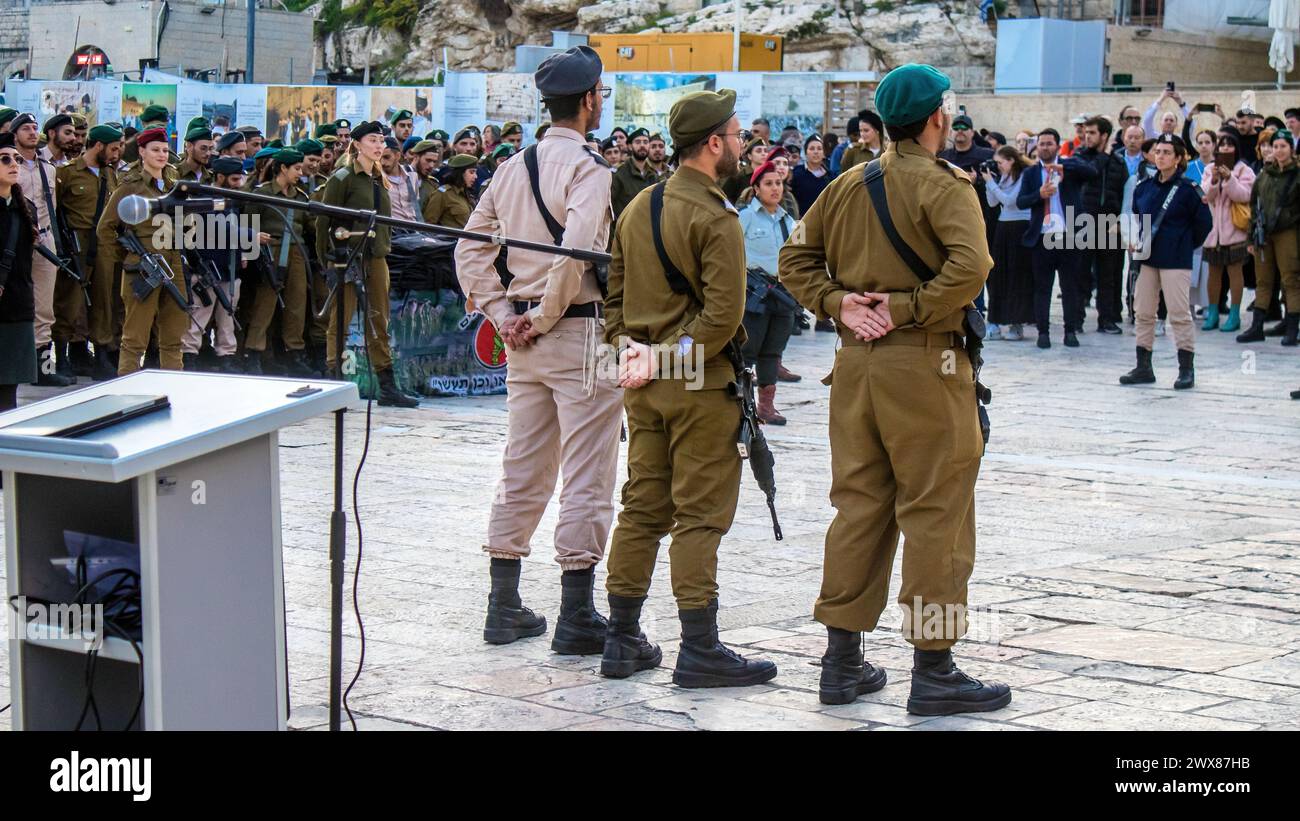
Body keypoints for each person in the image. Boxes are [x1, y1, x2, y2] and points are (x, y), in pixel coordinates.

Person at [779, 63, 1008, 715]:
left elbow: (794, 259)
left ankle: (841, 663)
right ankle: (934, 670)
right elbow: (972, 267)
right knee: (937, 512)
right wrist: (908, 309)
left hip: (855, 368)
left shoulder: (848, 184)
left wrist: (838, 303)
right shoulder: (946, 186)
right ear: (939, 117)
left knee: (859, 507)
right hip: (925, 367)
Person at [601, 87, 778, 688]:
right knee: (699, 515)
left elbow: (614, 301)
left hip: (644, 385)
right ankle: (699, 649)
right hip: (698, 386)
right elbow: (723, 317)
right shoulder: (716, 216)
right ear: (711, 144)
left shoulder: (639, 207)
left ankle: (621, 640)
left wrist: (634, 353)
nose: (740, 146)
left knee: (643, 508)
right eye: (734, 136)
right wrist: (667, 358)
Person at [454, 46, 623, 657]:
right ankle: (576, 615)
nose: (601, 101)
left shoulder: (511, 166)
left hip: (523, 337)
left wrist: (505, 316)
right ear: (587, 100)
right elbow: (577, 252)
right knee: (588, 472)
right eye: (600, 93)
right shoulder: (590, 168)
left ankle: (503, 606)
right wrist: (545, 317)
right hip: (579, 332)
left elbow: (469, 250)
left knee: (522, 468)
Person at [316, 120, 420, 407]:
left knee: (379, 321)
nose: (379, 146)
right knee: (341, 321)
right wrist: (329, 260)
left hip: (375, 257)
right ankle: (333, 383)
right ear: (358, 144)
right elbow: (324, 220)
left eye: (381, 141)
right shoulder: (343, 177)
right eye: (373, 140)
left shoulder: (378, 177)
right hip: (348, 257)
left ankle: (387, 386)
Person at [1120, 134, 1211, 389]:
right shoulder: (1145, 187)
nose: (1160, 156)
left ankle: (1186, 369)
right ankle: (1143, 366)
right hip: (1148, 258)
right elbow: (1137, 215)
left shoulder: (1188, 190)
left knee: (1179, 314)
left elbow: (1203, 224)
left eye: (1167, 152)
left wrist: (1181, 243)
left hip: (1176, 260)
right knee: (1144, 312)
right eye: (1158, 151)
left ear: (1179, 158)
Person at [98, 128, 189, 374]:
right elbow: (106, 229)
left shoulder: (173, 184)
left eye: (164, 150)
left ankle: (174, 385)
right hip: (143, 268)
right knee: (135, 337)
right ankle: (127, 388)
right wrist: (129, 257)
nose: (161, 155)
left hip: (173, 262)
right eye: (155, 150)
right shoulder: (131, 186)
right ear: (141, 152)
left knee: (173, 334)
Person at [1017, 127, 1097, 347]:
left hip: (1068, 237)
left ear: (1057, 145)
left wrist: (1065, 165)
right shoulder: (1031, 173)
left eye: (1049, 143)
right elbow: (1021, 201)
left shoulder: (1069, 169)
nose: (1045, 147)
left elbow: (1092, 173)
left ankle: (1070, 331)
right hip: (1042, 237)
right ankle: (1043, 332)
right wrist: (1039, 195)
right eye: (1041, 144)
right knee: (1042, 287)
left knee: (1070, 286)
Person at [54, 123, 123, 381]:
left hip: (105, 246)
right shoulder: (67, 173)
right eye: (113, 149)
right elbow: (55, 211)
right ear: (98, 146)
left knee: (105, 302)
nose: (116, 154)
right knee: (69, 302)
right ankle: (61, 357)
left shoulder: (110, 175)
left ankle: (102, 356)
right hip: (77, 246)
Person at [12, 113, 73, 386]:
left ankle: (44, 368)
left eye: (35, 128)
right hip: (16, 243)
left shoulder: (48, 168)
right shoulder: (10, 166)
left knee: (45, 309)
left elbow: (53, 207)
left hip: (45, 241)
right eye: (26, 128)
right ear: (15, 134)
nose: (31, 132)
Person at [244, 148, 314, 376]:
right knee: (264, 305)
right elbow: (248, 225)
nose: (300, 174)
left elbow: (310, 227)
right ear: (283, 168)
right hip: (270, 252)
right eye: (296, 169)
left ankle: (295, 353)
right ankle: (253, 353)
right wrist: (250, 252)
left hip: (296, 253)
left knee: (297, 306)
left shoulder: (301, 197)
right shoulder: (262, 194)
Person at [739, 160, 799, 425]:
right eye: (769, 184)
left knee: (773, 352)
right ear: (756, 188)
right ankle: (741, 404)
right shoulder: (745, 217)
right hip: (755, 293)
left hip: (782, 292)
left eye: (779, 183)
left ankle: (766, 406)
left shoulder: (789, 221)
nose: (775, 188)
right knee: (748, 350)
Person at [179, 155, 251, 374]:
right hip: (207, 267)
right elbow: (214, 228)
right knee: (198, 316)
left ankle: (226, 356)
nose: (239, 184)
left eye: (240, 179)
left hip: (230, 268)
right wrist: (249, 235)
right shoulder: (203, 199)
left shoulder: (234, 199)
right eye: (234, 179)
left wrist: (244, 253)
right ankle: (189, 355)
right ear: (220, 177)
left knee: (227, 316)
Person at [1238, 130, 1300, 345]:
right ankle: (1257, 326)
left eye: (1283, 146)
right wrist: (1250, 238)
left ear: (1291, 148)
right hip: (1264, 233)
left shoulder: (1297, 173)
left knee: (1291, 280)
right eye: (1275, 147)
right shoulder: (1265, 174)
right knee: (1263, 280)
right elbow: (1254, 206)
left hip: (1288, 232)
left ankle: (1292, 327)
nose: (1279, 151)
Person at [1077, 116, 1129, 334]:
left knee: (1108, 275)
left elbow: (1124, 194)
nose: (1086, 136)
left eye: (1092, 133)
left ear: (1104, 135)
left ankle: (1106, 319)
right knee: (1079, 273)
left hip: (1109, 225)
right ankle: (1076, 319)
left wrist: (1120, 220)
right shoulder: (1079, 157)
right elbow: (1085, 176)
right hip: (1083, 222)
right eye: (1085, 132)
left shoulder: (1118, 162)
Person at [1201, 132, 1254, 333]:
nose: (1225, 148)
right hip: (1213, 231)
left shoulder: (1244, 170)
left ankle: (1234, 314)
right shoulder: (1208, 169)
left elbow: (1244, 195)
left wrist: (1229, 178)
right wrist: (1214, 180)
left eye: (1229, 145)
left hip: (1235, 230)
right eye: (1222, 145)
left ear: (1236, 148)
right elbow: (1205, 196)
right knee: (1213, 273)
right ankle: (1213, 312)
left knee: (1234, 272)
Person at [0, 133, 37, 411]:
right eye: (5, 159)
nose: (14, 164)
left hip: (17, 306)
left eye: (17, 159)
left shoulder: (27, 210)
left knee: (9, 396)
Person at [982, 145, 1034, 340]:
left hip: (1020, 226)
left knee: (1017, 275)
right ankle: (995, 322)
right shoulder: (1002, 177)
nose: (998, 166)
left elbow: (1011, 200)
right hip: (1004, 226)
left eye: (1000, 162)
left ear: (1011, 160)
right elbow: (993, 203)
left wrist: (991, 184)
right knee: (999, 274)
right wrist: (990, 182)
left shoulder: (1023, 176)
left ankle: (1016, 322)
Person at [610, 126, 656, 219]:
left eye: (645, 142)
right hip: (624, 231)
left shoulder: (653, 174)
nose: (642, 145)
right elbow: (609, 207)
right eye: (638, 142)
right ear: (630, 146)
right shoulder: (619, 173)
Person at [422, 153, 477, 228]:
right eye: (471, 172)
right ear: (460, 173)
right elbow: (429, 224)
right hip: (450, 238)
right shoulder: (443, 194)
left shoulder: (467, 195)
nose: (475, 176)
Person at [791, 132, 834, 215]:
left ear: (823, 153)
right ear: (806, 153)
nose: (816, 152)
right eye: (812, 148)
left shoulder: (830, 176)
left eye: (819, 148)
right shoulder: (796, 174)